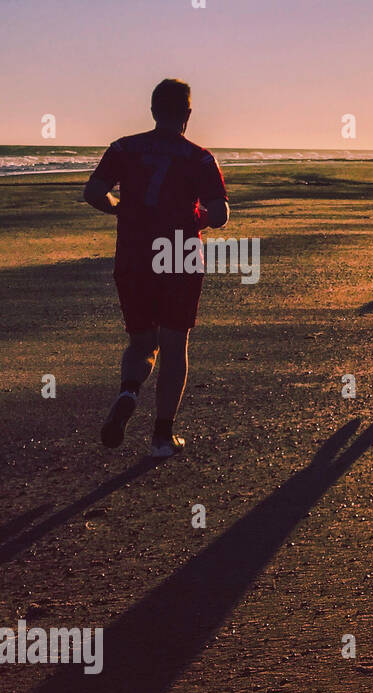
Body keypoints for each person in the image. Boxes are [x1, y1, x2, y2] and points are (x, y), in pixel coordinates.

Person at [84, 78, 228, 458]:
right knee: (174, 342)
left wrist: (117, 207)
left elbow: (93, 192)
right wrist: (196, 216)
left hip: (133, 254)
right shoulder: (199, 157)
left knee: (141, 342)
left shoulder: (123, 148)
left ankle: (129, 391)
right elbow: (220, 215)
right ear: (188, 113)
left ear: (152, 110)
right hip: (179, 253)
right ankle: (162, 437)